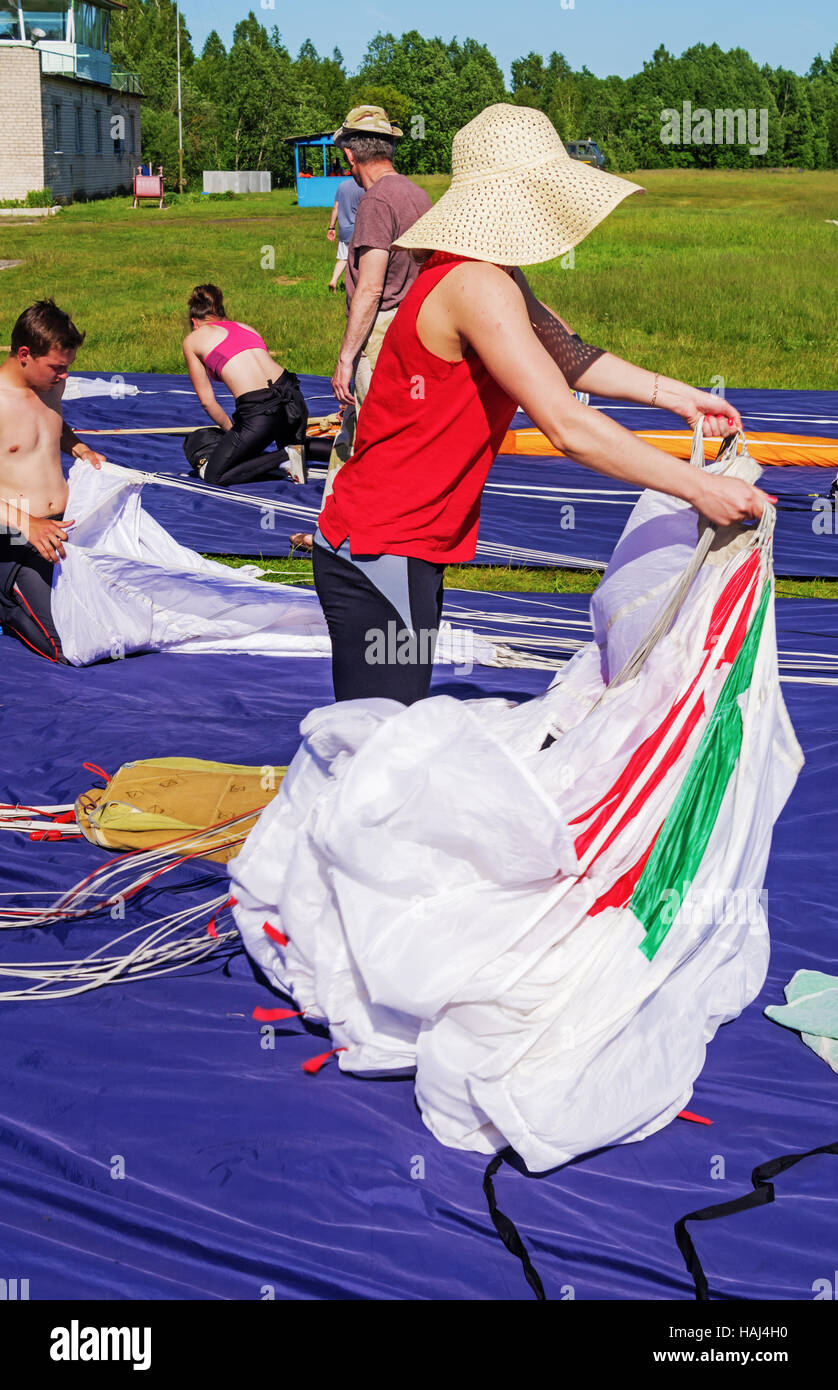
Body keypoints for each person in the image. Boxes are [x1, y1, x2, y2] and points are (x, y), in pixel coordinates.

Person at [311, 103, 774, 705]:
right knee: (370, 746)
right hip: (378, 547)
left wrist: (680, 397)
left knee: (386, 730)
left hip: (405, 541)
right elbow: (564, 423)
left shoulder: (487, 273)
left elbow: (568, 353)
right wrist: (699, 487)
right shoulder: (475, 285)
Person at [290, 104, 432, 549]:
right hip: (418, 326)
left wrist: (346, 358)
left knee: (376, 439)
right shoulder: (416, 194)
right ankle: (331, 527)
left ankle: (371, 537)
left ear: (350, 155)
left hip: (384, 333)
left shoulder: (376, 202)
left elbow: (370, 288)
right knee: (351, 438)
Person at [0, 300, 105, 662]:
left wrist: (78, 447)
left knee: (121, 610)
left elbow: (51, 425)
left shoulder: (50, 385)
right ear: (25, 353)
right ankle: (7, 603)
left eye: (67, 368)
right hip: (10, 535)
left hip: (60, 528)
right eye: (57, 368)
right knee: (67, 646)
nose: (64, 377)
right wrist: (27, 524)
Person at [181, 285, 308, 487]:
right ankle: (315, 450)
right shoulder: (245, 327)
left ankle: (286, 454)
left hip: (260, 413)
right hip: (293, 398)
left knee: (215, 475)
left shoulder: (193, 340)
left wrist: (231, 430)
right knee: (289, 451)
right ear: (223, 316)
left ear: (194, 322)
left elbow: (207, 401)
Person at [326, 174, 364, 293]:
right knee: (360, 260)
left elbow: (335, 208)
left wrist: (331, 227)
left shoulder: (342, 186)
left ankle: (333, 280)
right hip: (359, 229)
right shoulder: (363, 186)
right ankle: (357, 286)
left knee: (343, 258)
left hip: (344, 229)